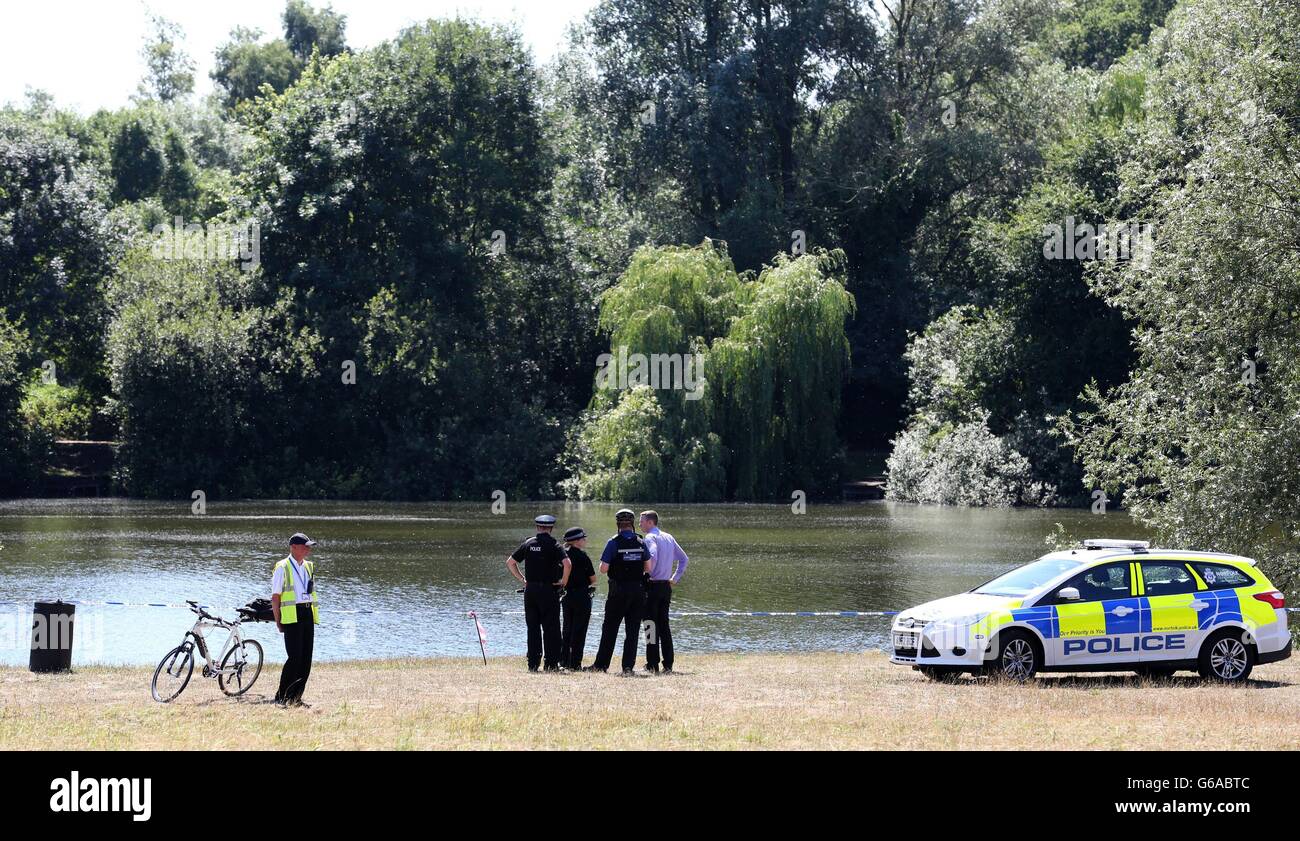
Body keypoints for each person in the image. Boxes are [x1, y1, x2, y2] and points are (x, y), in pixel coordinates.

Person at [588, 509, 652, 674]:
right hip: (637, 591)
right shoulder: (641, 542)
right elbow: (648, 567)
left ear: (618, 524)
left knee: (610, 628)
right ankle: (628, 667)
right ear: (632, 523)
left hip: (618, 592)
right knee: (632, 630)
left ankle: (601, 665)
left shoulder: (613, 542)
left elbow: (603, 569)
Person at [507, 514, 571, 671]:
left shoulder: (529, 543)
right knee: (551, 628)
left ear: (537, 527)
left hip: (531, 591)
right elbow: (567, 564)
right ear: (551, 528)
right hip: (549, 590)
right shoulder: (555, 545)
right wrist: (563, 581)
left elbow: (510, 562)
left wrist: (523, 579)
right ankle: (551, 664)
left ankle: (533, 664)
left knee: (533, 627)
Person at [271, 532, 320, 706]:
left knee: (306, 658)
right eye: (305, 546)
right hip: (292, 616)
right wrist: (278, 621)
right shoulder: (282, 567)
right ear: (293, 547)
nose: (308, 549)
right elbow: (275, 597)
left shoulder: (308, 566)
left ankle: (296, 698)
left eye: (309, 546)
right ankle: (282, 697)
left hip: (307, 614)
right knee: (294, 658)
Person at [640, 510, 689, 674]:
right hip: (666, 587)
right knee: (664, 626)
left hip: (652, 586)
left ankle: (652, 664)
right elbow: (684, 559)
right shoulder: (668, 537)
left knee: (650, 625)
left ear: (650, 522)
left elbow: (652, 555)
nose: (639, 524)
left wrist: (646, 573)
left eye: (642, 521)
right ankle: (668, 664)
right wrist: (675, 578)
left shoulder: (649, 538)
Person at [559, 526, 597, 670]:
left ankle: (564, 661)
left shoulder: (562, 555)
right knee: (579, 630)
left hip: (566, 595)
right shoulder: (582, 556)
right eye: (583, 538)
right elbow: (593, 579)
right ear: (575, 541)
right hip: (582, 596)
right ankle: (575, 663)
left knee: (567, 628)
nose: (585, 540)